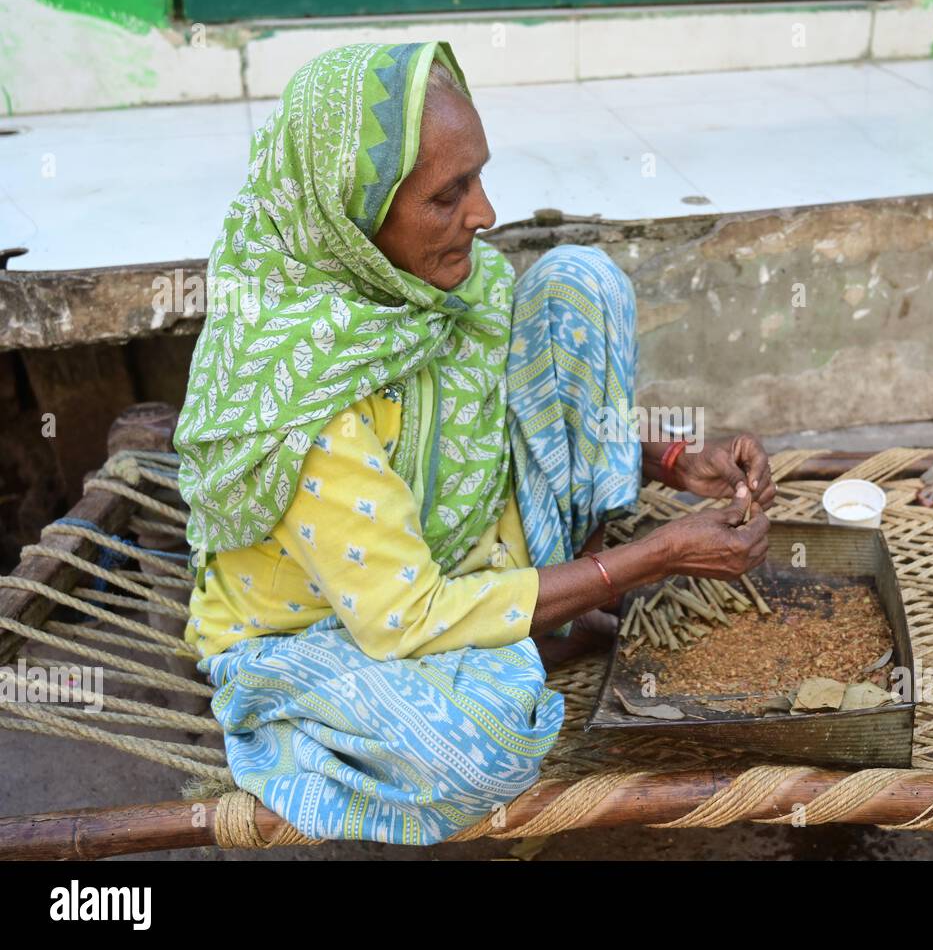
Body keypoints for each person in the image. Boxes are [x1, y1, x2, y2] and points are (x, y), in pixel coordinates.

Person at [173, 41, 774, 845]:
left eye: (479, 177)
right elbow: (405, 617)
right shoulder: (294, 391)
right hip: (334, 627)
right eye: (447, 195)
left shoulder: (432, 288)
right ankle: (544, 629)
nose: (484, 214)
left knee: (576, 284)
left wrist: (670, 458)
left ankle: (542, 623)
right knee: (476, 744)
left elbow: (517, 407)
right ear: (355, 212)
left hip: (465, 554)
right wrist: (648, 559)